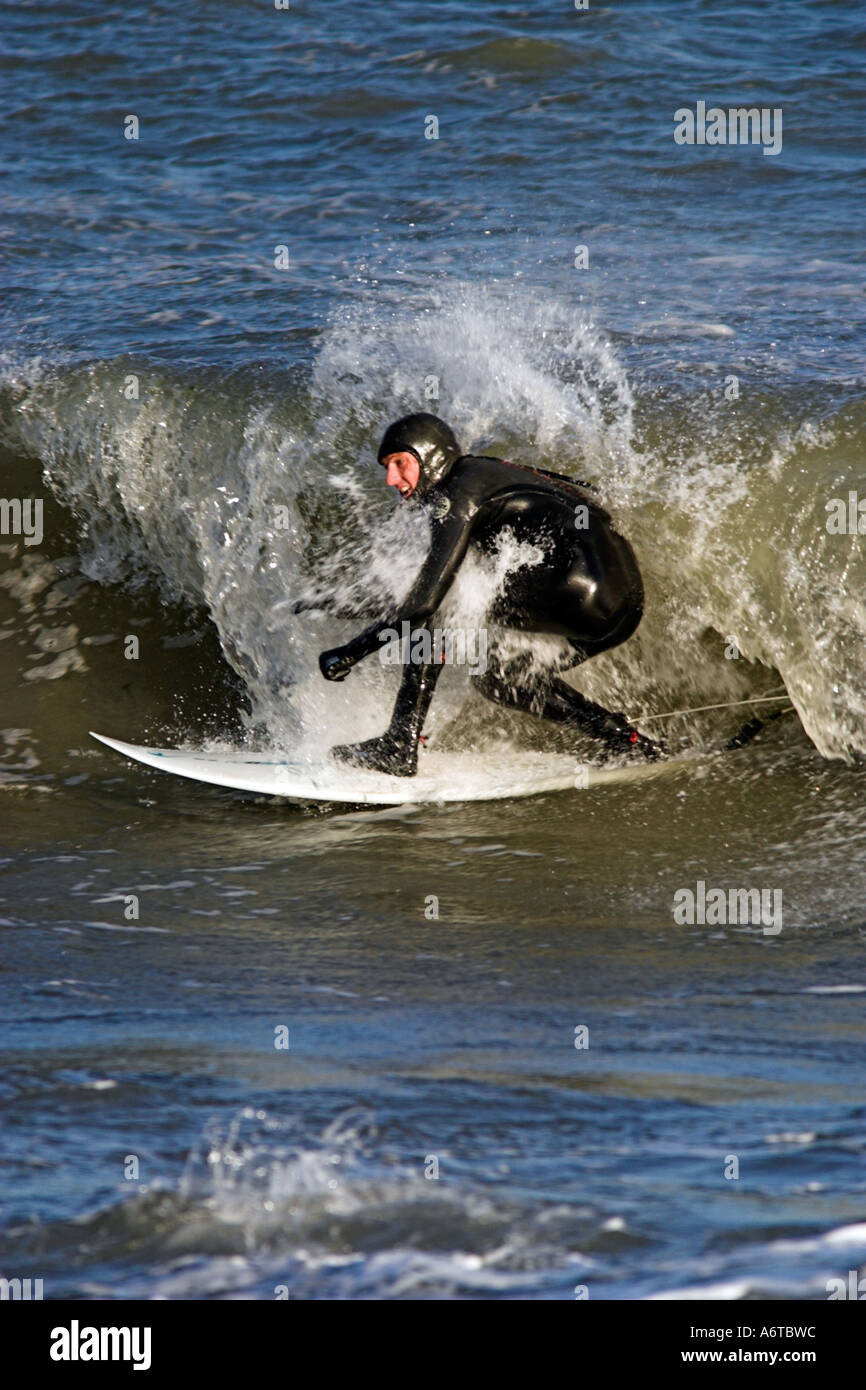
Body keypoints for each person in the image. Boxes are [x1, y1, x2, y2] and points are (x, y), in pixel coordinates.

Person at [318, 413, 663, 775]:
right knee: (497, 678)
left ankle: (400, 744)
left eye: (401, 464)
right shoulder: (486, 473)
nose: (392, 480)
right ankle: (627, 741)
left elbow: (423, 602)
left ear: (430, 457)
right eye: (387, 468)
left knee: (440, 606)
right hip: (620, 606)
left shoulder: (456, 494)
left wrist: (350, 652)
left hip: (579, 592)